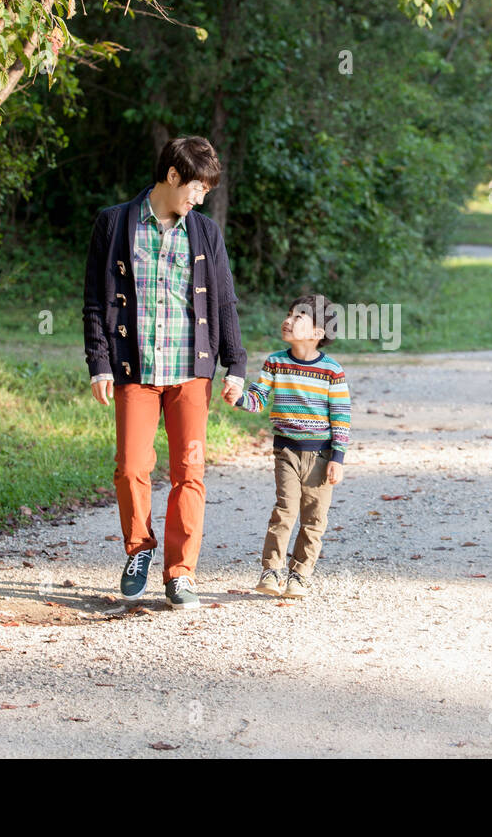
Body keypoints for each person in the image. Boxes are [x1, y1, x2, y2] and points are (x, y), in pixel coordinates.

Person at [83, 136, 247, 610]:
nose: (201, 198)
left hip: (192, 372)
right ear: (172, 176)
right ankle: (139, 549)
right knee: (132, 467)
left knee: (189, 472)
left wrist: (234, 364)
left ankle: (181, 572)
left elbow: (223, 302)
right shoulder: (113, 224)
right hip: (135, 368)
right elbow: (95, 300)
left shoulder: (205, 233)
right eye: (197, 187)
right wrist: (98, 361)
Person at [228, 294, 350, 599]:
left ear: (317, 333)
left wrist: (338, 457)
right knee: (284, 509)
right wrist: (239, 397)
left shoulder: (332, 371)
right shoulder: (276, 362)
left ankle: (300, 574)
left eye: (298, 317)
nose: (288, 320)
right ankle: (271, 569)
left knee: (314, 518)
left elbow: (341, 416)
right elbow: (258, 397)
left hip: (321, 455)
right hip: (286, 452)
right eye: (288, 314)